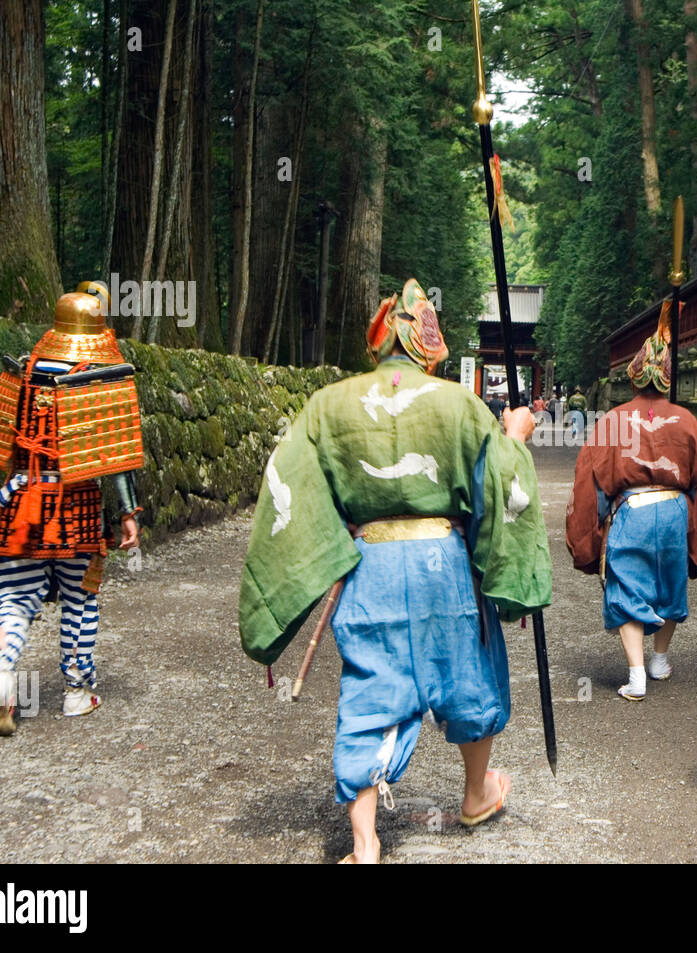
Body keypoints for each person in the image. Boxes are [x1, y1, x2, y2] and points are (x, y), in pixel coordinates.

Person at [238, 279, 551, 864]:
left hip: (372, 564)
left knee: (370, 686)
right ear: (428, 347)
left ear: (378, 344)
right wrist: (514, 436)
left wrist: (327, 547)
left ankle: (365, 843)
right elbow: (498, 483)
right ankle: (477, 793)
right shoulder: (461, 403)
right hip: (446, 564)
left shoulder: (327, 405)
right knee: (468, 672)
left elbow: (289, 484)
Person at [0, 282, 143, 736]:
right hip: (77, 512)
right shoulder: (97, 377)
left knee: (13, 599)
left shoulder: (23, 372)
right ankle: (76, 691)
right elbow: (115, 456)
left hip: (21, 503)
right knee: (80, 600)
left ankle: (1, 677)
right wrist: (128, 513)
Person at [566, 303, 697, 700]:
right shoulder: (686, 420)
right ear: (666, 381)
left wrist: (591, 529)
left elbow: (592, 479)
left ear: (633, 377)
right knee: (670, 583)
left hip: (632, 510)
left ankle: (636, 676)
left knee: (626, 584)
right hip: (675, 510)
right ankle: (660, 659)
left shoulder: (612, 420)